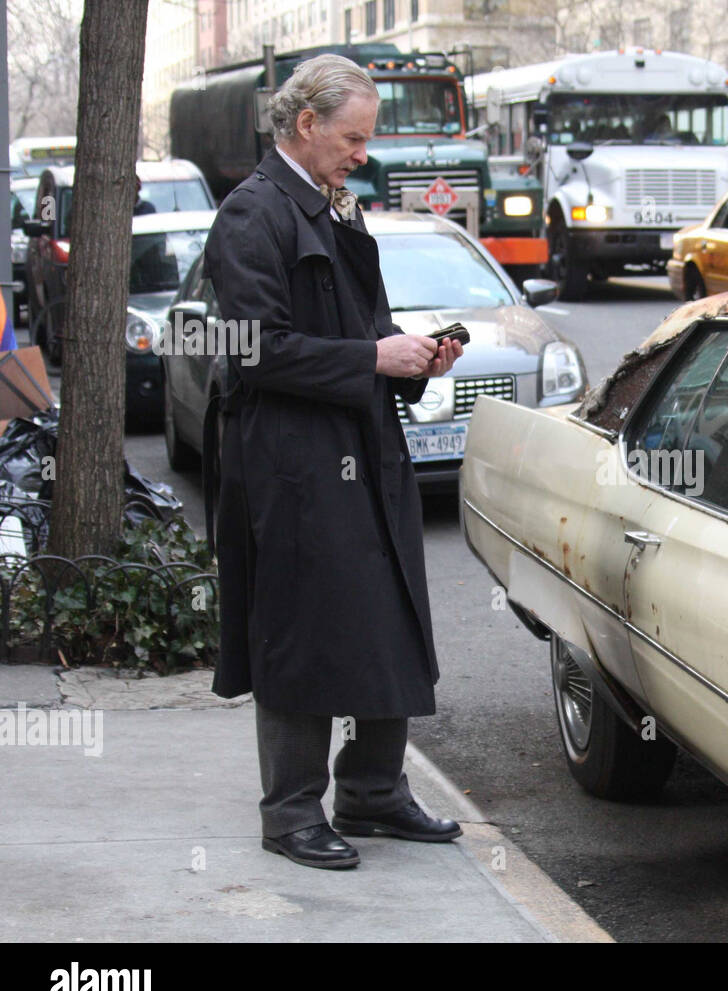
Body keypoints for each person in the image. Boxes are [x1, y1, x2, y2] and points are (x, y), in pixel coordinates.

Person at [202, 54, 465, 870]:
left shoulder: (332, 207)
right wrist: (372, 362)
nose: (363, 153)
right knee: (299, 627)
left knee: (385, 612)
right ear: (306, 125)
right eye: (353, 138)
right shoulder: (253, 215)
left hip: (359, 446)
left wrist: (414, 358)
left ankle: (373, 793)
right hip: (290, 463)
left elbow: (365, 328)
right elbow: (252, 353)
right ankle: (290, 813)